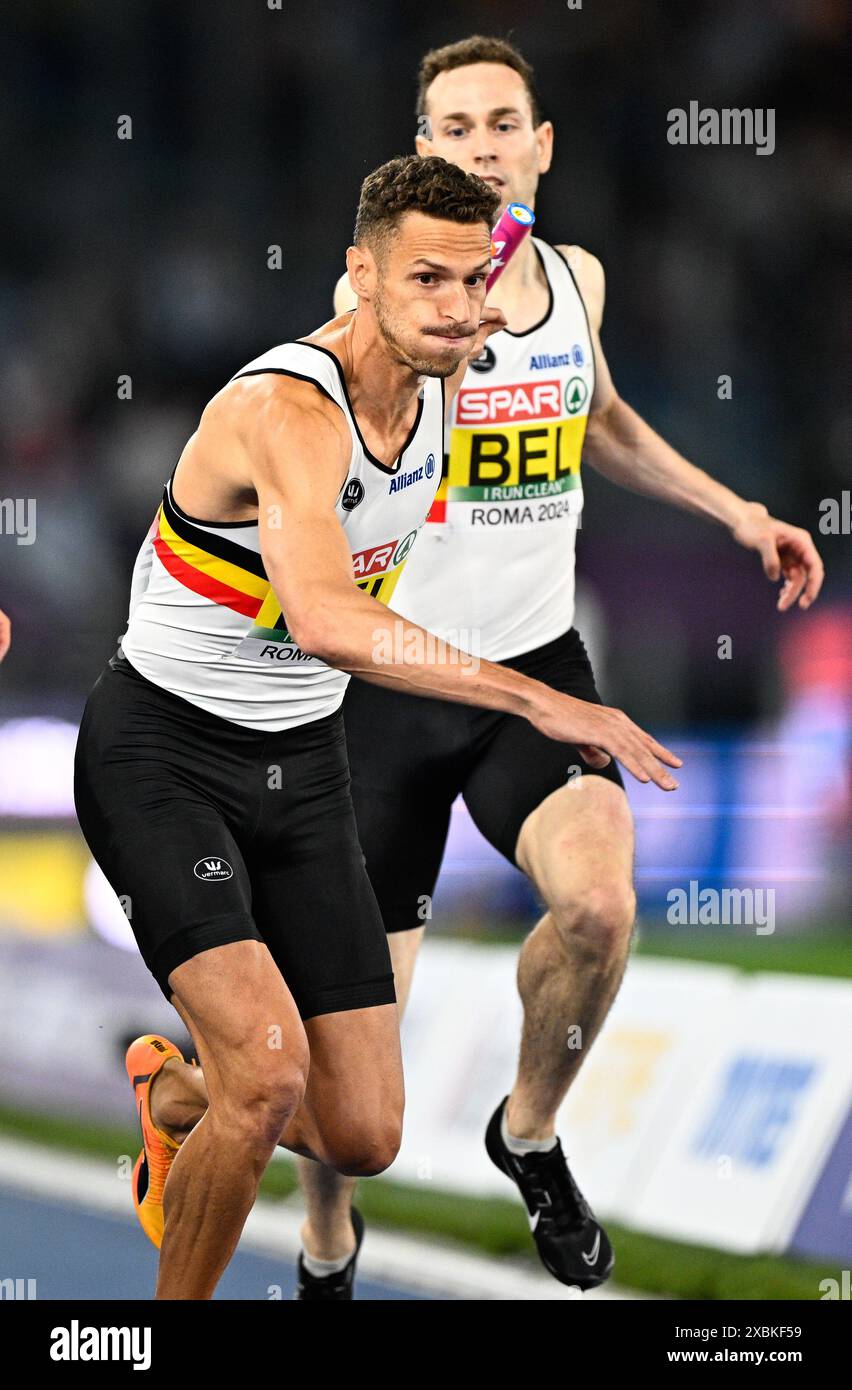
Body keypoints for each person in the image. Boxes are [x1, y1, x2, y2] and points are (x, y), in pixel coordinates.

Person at [75, 153, 681, 1300]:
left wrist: (741, 514)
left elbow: (596, 408)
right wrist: (538, 694)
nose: (459, 310)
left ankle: (170, 1093)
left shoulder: (456, 376)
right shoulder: (284, 410)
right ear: (361, 279)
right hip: (164, 754)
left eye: (474, 280)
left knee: (361, 1136)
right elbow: (325, 618)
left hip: (303, 771)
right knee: (263, 1076)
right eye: (426, 281)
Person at [292, 35, 825, 1297]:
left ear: (540, 146)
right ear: (422, 154)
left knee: (600, 907)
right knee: (351, 1076)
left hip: (537, 664)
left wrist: (736, 510)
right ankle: (322, 1243)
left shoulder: (576, 278)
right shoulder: (375, 299)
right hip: (390, 689)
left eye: (501, 123)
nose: (481, 145)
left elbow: (601, 419)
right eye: (455, 128)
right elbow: (291, 438)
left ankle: (527, 1132)